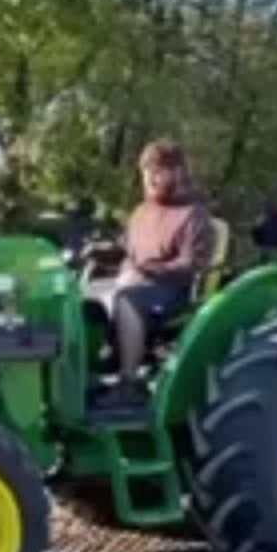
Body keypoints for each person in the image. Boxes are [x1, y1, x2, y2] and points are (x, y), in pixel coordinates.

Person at [98, 138, 216, 408]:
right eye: (146, 170)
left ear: (178, 173)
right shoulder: (141, 212)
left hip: (172, 290)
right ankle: (102, 367)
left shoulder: (193, 215)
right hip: (136, 282)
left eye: (159, 170)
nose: (150, 176)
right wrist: (99, 252)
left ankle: (129, 384)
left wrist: (148, 270)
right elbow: (124, 249)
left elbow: (191, 265)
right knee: (89, 298)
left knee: (127, 299)